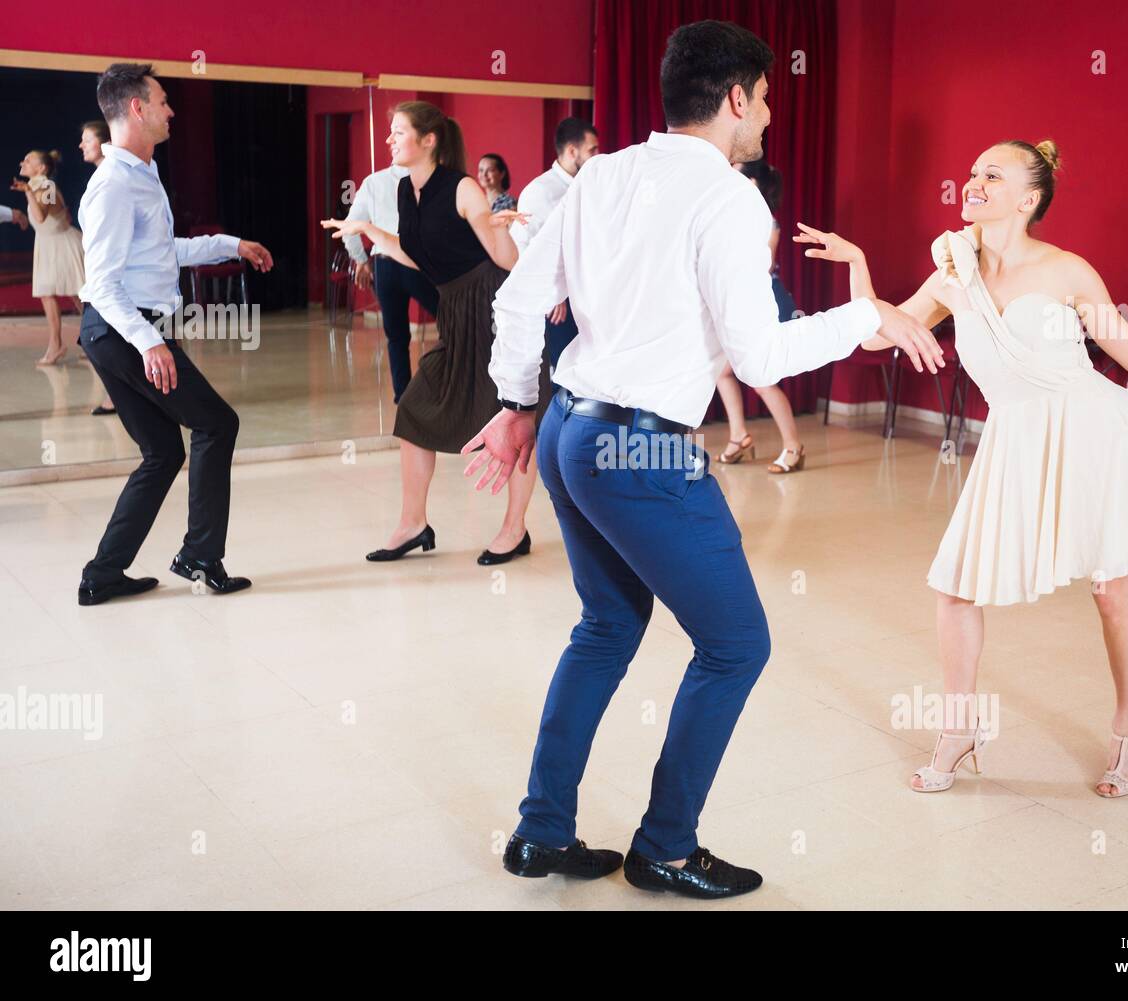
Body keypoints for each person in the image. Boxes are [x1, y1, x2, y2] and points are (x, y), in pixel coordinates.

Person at [461, 20, 942, 898]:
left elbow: (522, 299)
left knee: (606, 628)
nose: (765, 118)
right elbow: (759, 358)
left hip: (571, 426)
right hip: (640, 443)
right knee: (735, 645)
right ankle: (666, 847)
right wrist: (870, 315)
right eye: (762, 101)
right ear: (734, 99)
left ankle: (540, 835)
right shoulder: (729, 198)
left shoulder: (600, 175)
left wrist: (514, 405)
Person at [894, 139, 1128, 797]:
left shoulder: (1068, 270)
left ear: (1028, 197)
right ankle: (958, 729)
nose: (974, 180)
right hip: (1013, 438)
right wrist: (854, 280)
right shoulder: (952, 273)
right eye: (971, 171)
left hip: (1093, 432)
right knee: (955, 587)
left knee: (1111, 591)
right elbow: (889, 329)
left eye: (993, 173)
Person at [75, 63, 273, 606]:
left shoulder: (141, 175)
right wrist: (150, 342)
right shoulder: (114, 185)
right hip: (123, 329)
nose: (171, 109)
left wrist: (232, 244)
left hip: (116, 330)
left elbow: (167, 253)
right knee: (217, 424)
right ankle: (200, 555)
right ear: (137, 108)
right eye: (162, 101)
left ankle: (103, 574)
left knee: (162, 451)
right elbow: (103, 283)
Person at [322, 102, 544, 566]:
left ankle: (514, 528)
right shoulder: (406, 190)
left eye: (398, 131)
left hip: (490, 310)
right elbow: (417, 254)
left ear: (429, 140)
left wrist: (501, 230)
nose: (389, 140)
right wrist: (366, 230)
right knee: (417, 409)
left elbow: (507, 262)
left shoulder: (463, 188)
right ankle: (413, 524)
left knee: (517, 418)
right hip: (454, 311)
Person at [715, 158, 805, 473]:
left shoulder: (766, 221)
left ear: (751, 184)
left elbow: (763, 266)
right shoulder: (735, 218)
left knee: (761, 379)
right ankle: (739, 436)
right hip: (741, 302)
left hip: (765, 302)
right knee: (723, 371)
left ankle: (794, 447)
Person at [342, 160, 441, 403]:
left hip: (383, 264)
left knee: (396, 337)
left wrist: (361, 260)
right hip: (415, 263)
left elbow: (349, 228)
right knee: (451, 320)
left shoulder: (373, 182)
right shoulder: (428, 178)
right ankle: (441, 388)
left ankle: (403, 398)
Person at [510, 118, 599, 370]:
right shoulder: (539, 192)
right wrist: (553, 292)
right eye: (592, 149)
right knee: (564, 373)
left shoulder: (592, 186)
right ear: (572, 151)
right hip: (559, 303)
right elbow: (524, 249)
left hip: (591, 295)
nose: (598, 155)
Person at [13, 149, 85, 367]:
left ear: (41, 168)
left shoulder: (48, 186)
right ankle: (56, 345)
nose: (22, 162)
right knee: (46, 293)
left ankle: (96, 339)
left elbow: (40, 216)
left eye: (28, 160)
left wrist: (26, 191)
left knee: (80, 296)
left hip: (63, 244)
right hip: (47, 244)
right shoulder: (38, 186)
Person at [79, 119, 119, 416]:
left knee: (104, 339)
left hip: (113, 279)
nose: (81, 144)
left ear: (104, 142)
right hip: (101, 278)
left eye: (86, 139)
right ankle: (117, 396)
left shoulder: (113, 177)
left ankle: (118, 397)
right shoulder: (102, 177)